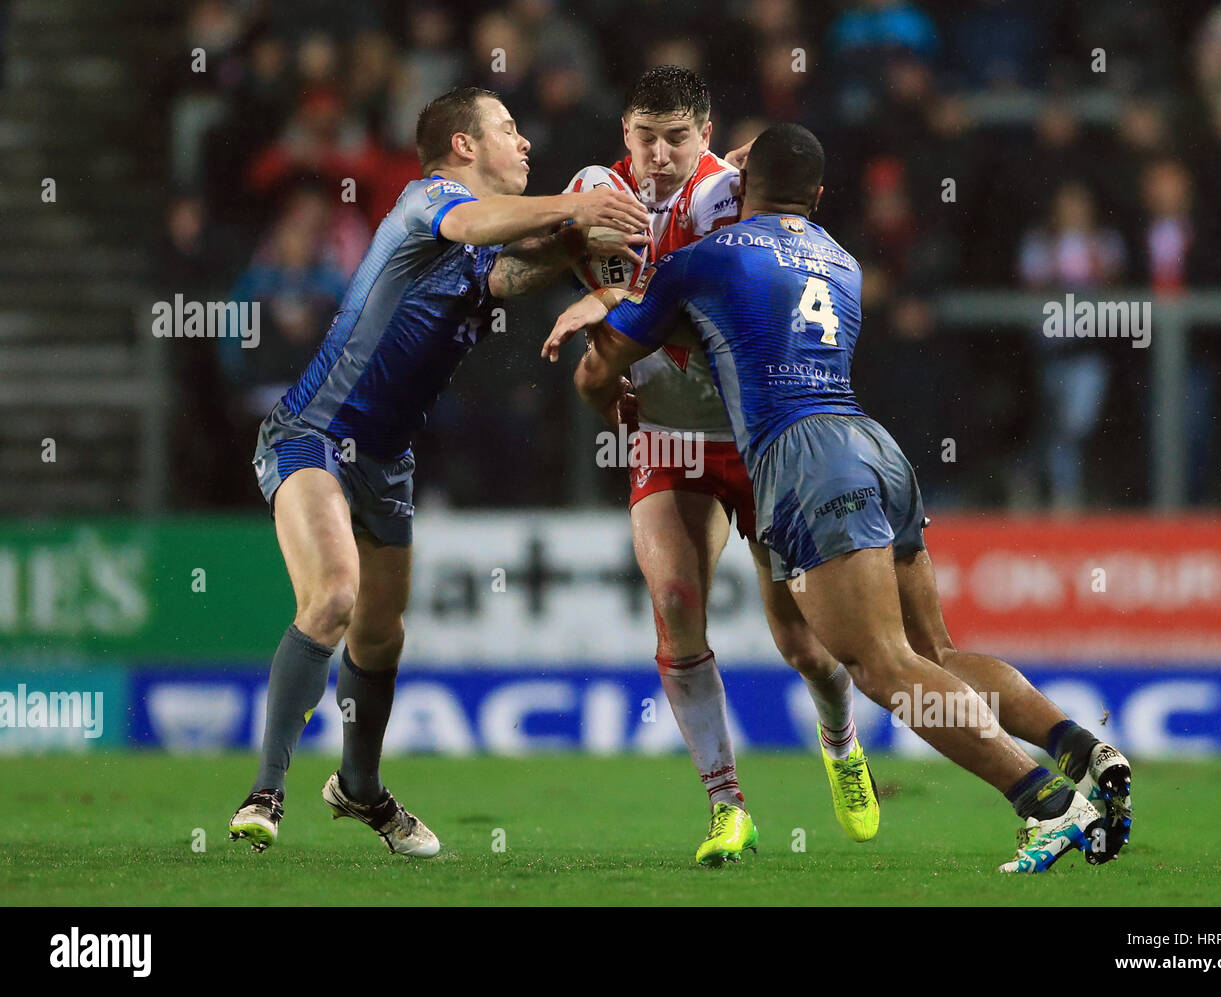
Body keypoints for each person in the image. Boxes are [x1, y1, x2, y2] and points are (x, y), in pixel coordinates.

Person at [546, 123, 1133, 872]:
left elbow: (608, 366)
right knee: (935, 652)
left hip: (802, 458)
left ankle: (1044, 803)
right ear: (818, 197)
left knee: (882, 667)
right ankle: (1081, 747)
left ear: (738, 188)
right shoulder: (843, 261)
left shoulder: (701, 260)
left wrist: (602, 303)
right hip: (872, 446)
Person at [228, 85, 650, 855]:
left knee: (381, 638)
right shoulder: (429, 201)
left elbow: (506, 275)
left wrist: (584, 255)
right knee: (334, 597)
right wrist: (574, 206)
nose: (524, 142)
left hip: (385, 460)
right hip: (313, 434)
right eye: (508, 129)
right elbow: (478, 222)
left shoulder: (478, 245)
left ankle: (358, 789)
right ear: (463, 146)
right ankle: (266, 790)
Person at [563, 66, 876, 866]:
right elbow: (547, 255)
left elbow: (727, 285)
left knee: (803, 642)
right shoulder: (594, 191)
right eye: (645, 136)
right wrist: (564, 243)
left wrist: (605, 305)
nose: (660, 155)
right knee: (674, 600)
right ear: (624, 135)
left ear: (706, 134)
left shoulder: (732, 200)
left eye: (677, 138)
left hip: (756, 432)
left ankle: (839, 740)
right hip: (669, 435)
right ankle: (727, 806)